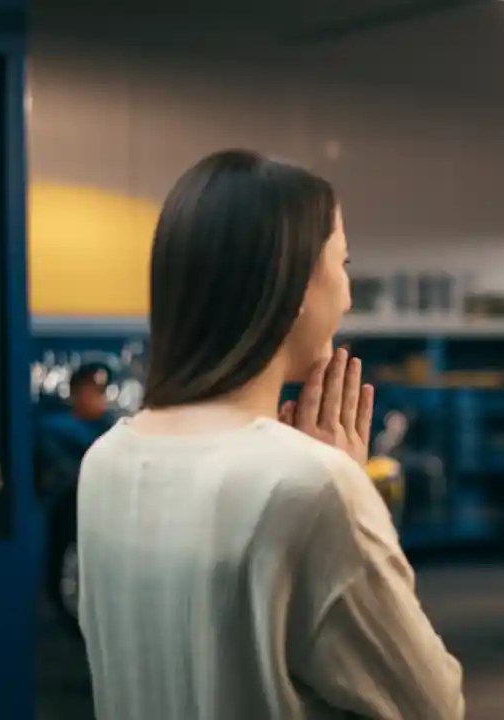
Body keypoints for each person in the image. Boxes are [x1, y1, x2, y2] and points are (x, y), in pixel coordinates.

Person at [75, 149, 464, 720]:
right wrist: (354, 495)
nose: (349, 297)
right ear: (297, 284)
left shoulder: (106, 461)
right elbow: (433, 705)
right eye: (343, 264)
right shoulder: (311, 485)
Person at [36, 362, 116, 495]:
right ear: (76, 391)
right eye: (93, 390)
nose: (99, 398)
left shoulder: (108, 429)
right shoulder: (54, 429)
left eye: (102, 391)